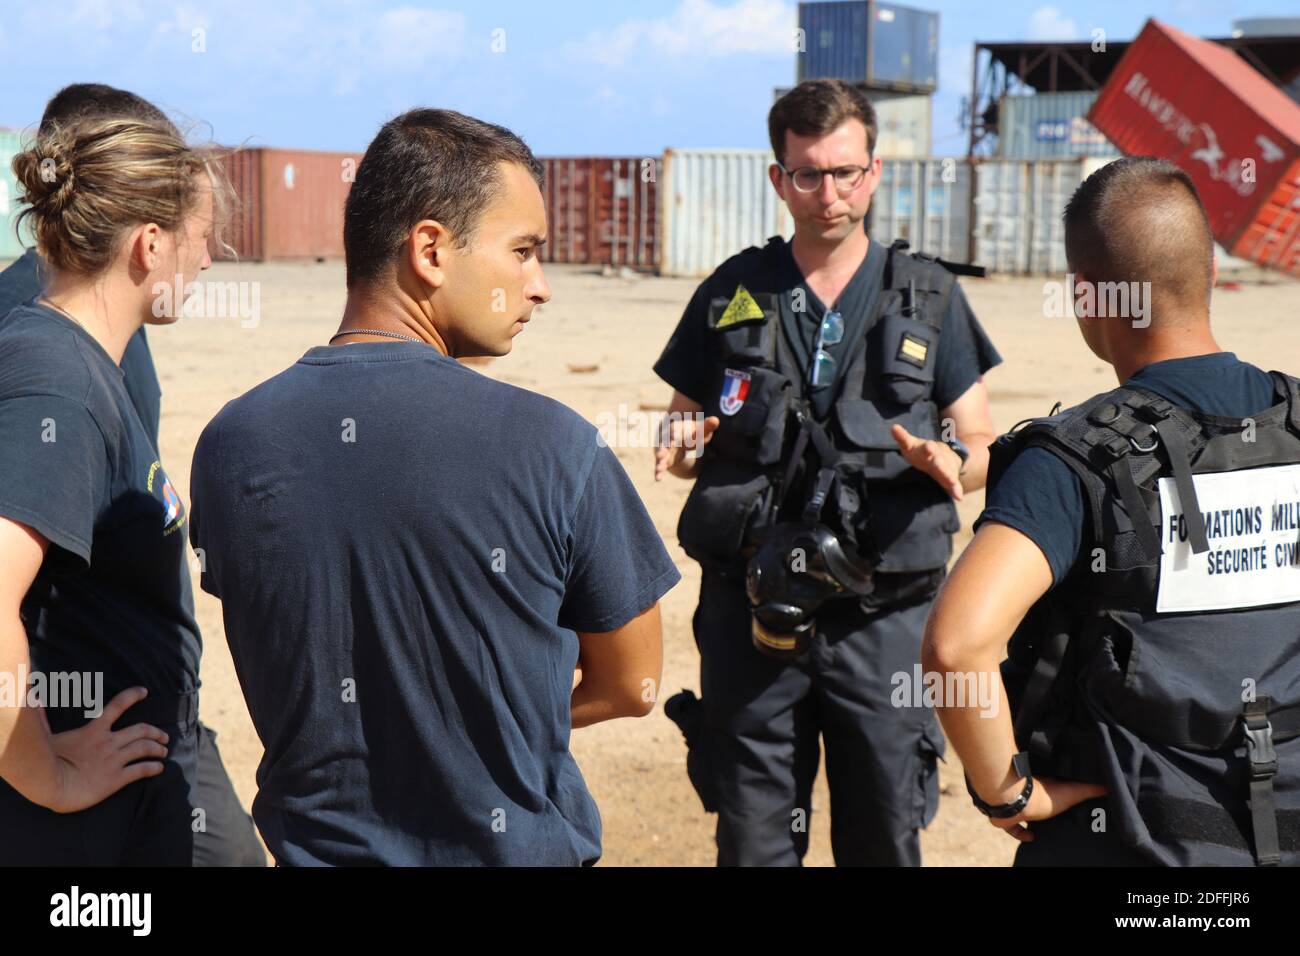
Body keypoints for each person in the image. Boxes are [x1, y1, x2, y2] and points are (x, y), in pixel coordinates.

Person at [188, 108, 680, 866]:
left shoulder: (229, 442)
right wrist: (491, 728)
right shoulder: (555, 445)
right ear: (430, 250)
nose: (540, 286)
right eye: (522, 252)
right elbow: (635, 683)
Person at [653, 79, 1001, 866]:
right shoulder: (732, 291)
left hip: (884, 618)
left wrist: (955, 462)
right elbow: (678, 422)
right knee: (753, 838)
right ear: (779, 178)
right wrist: (680, 446)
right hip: (753, 609)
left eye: (846, 172)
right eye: (807, 174)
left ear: (874, 172)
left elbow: (982, 438)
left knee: (882, 828)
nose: (829, 194)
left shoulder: (931, 295)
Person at [923, 156, 1300, 866]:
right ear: (1210, 275)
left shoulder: (1073, 458)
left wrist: (1007, 792)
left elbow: (955, 647)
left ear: (1087, 298)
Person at [0, 82, 265, 869]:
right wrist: (47, 773)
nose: (210, 257)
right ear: (150, 245)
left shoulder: (78, 357)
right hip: (84, 791)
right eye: (202, 237)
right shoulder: (58, 380)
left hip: (136, 748)